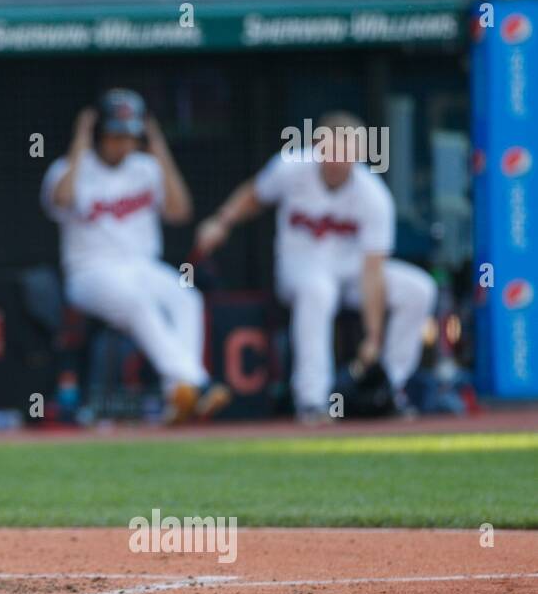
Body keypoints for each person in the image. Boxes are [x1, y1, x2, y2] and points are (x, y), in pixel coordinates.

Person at [194, 111, 435, 422]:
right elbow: (255, 195)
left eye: (345, 153)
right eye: (330, 151)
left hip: (351, 274)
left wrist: (373, 337)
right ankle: (312, 399)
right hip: (299, 268)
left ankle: (390, 387)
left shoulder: (373, 195)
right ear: (316, 146)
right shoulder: (291, 167)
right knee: (317, 290)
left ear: (359, 154)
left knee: (419, 289)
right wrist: (221, 222)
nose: (336, 161)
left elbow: (373, 270)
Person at [42, 89, 231, 425]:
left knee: (186, 297)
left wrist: (157, 145)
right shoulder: (68, 169)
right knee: (137, 302)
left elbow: (179, 211)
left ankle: (179, 393)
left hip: (142, 266)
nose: (123, 144)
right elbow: (61, 201)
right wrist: (80, 140)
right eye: (115, 135)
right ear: (99, 133)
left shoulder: (146, 167)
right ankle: (196, 383)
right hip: (89, 273)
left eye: (130, 136)